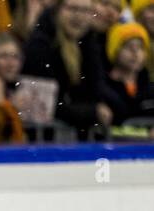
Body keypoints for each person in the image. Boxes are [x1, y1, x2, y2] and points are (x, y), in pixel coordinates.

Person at [22, 0, 112, 135]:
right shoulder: (39, 46)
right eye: (73, 8)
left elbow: (97, 90)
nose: (79, 16)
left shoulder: (89, 44)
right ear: (57, 10)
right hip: (43, 140)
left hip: (78, 137)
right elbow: (43, 106)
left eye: (85, 10)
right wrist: (92, 112)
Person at [103, 21, 154, 122]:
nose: (135, 53)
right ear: (115, 50)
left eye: (140, 47)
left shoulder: (150, 88)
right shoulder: (103, 87)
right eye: (128, 46)